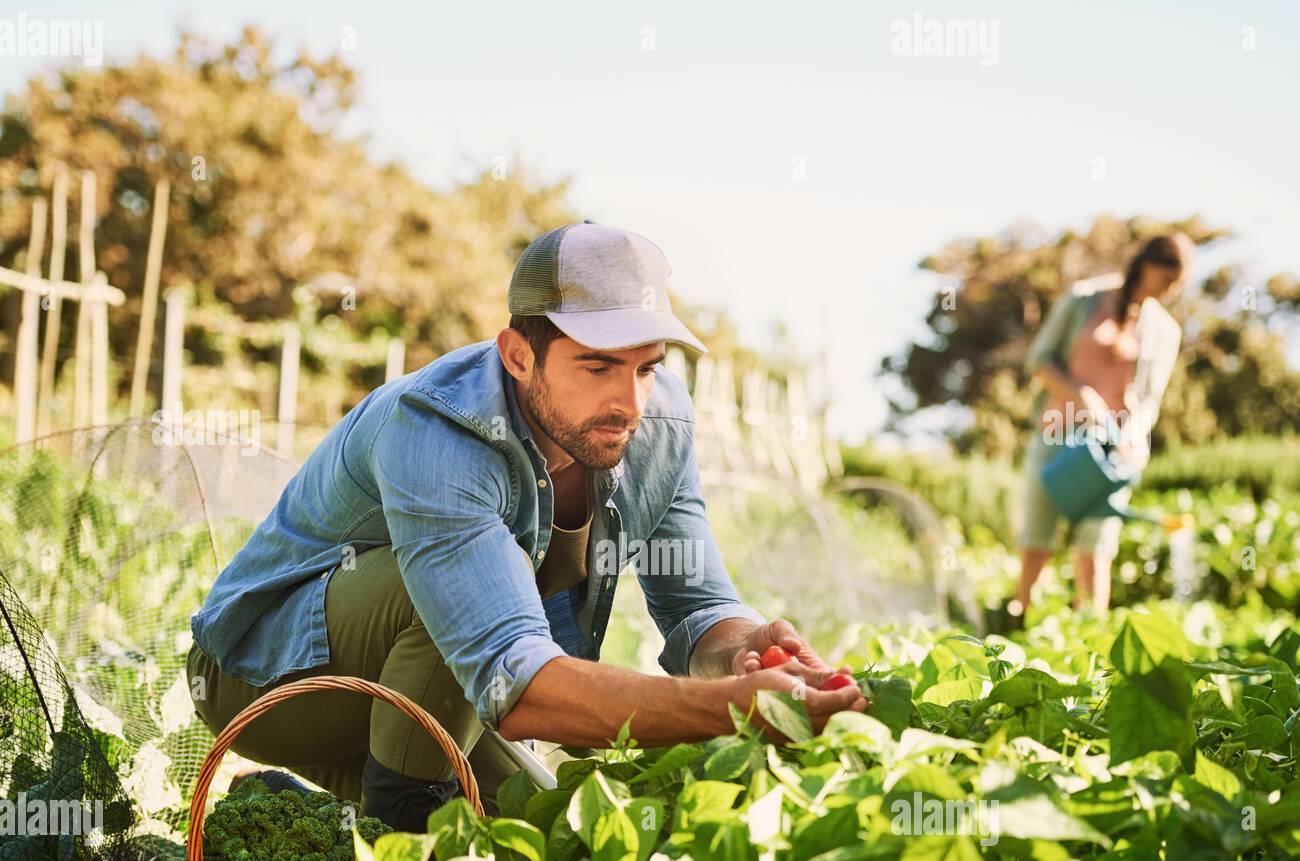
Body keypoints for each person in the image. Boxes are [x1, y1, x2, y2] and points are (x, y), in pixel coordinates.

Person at [185, 221, 866, 829]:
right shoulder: (435, 431)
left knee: (550, 842)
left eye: (646, 368)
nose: (628, 401)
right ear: (517, 355)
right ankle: (401, 846)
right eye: (598, 365)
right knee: (432, 824)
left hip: (429, 690)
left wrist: (746, 649)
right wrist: (735, 709)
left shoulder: (656, 424)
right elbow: (516, 679)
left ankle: (289, 811)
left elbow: (698, 608)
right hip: (264, 679)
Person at [1012, 232, 1193, 617]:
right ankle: (1018, 620)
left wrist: (1129, 437)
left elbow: (1149, 400)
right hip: (1058, 431)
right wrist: (1084, 398)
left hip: (1112, 452)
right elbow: (1039, 360)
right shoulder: (1084, 299)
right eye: (1165, 278)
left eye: (1177, 283)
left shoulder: (1165, 331)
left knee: (1096, 546)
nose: (1170, 289)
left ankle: (1090, 633)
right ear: (1145, 265)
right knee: (1037, 539)